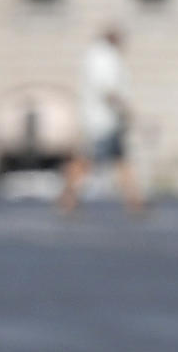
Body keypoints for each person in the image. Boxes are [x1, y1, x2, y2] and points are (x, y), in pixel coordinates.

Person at [60, 22, 143, 215]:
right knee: (86, 161)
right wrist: (125, 109)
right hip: (102, 120)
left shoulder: (100, 56)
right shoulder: (103, 57)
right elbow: (107, 89)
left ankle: (135, 202)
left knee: (121, 161)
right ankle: (67, 198)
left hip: (109, 120)